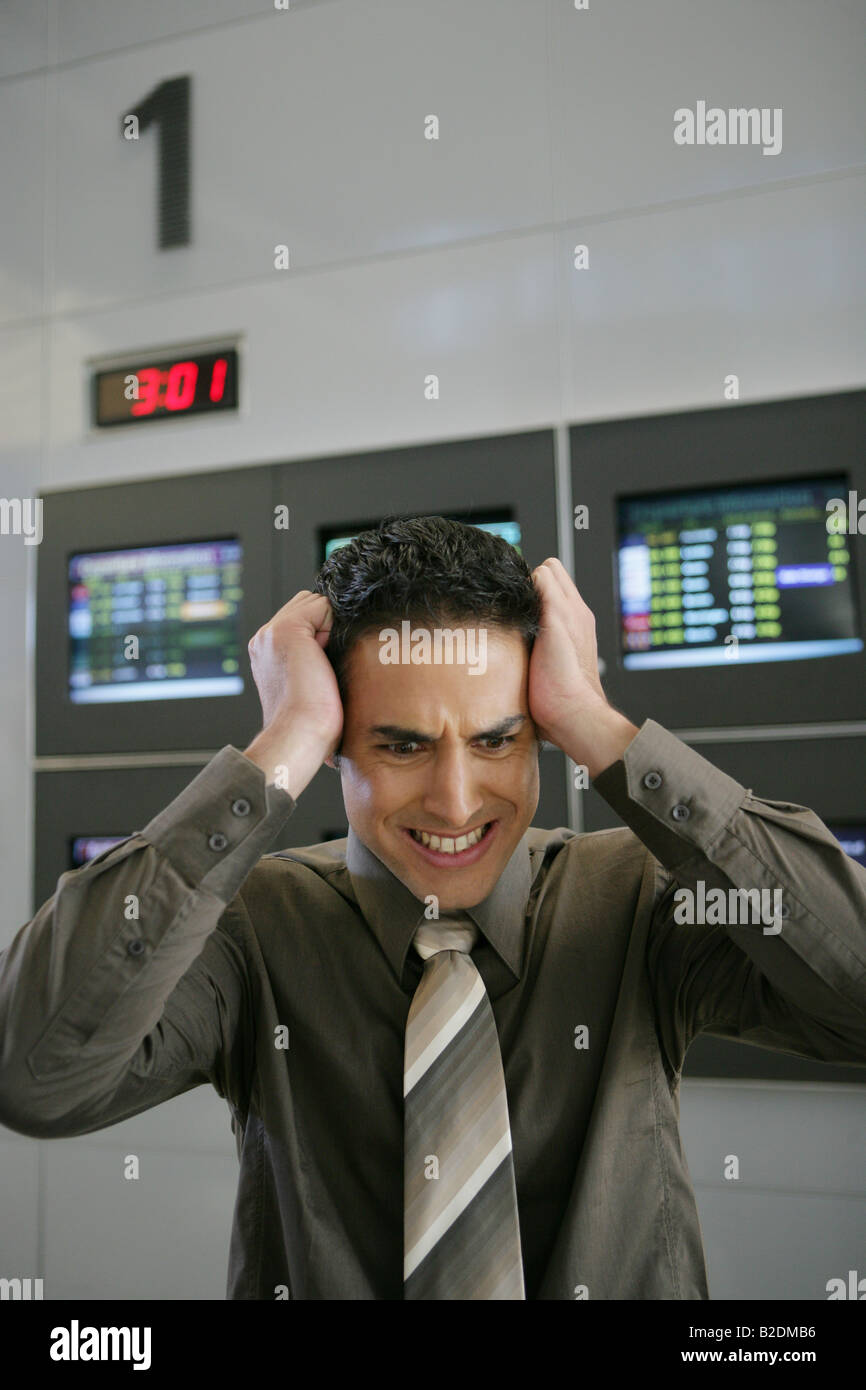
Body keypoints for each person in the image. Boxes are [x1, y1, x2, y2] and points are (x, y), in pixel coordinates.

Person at [0, 515, 864, 1300]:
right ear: (338, 748)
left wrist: (601, 729)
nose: (456, 803)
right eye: (403, 745)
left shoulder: (637, 902)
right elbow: (33, 1076)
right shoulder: (255, 929)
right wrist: (281, 744)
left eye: (497, 739)